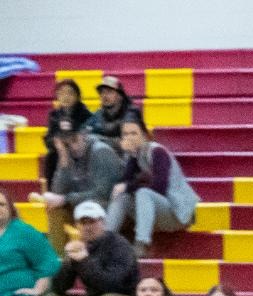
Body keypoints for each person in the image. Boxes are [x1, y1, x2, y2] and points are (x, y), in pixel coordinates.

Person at [32, 200, 138, 296]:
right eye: (83, 222)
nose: (88, 227)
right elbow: (59, 287)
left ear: (103, 222)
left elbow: (114, 284)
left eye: (92, 221)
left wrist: (84, 261)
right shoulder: (81, 247)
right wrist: (69, 263)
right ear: (77, 226)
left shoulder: (120, 246)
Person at [105, 121, 197, 259]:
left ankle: (141, 243)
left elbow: (159, 187)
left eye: (134, 133)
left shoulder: (157, 152)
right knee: (122, 195)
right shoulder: (135, 155)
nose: (129, 138)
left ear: (145, 136)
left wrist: (129, 186)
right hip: (155, 213)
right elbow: (123, 183)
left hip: (177, 212)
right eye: (125, 134)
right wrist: (130, 156)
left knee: (143, 193)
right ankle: (104, 242)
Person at [39, 120, 125, 256]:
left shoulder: (101, 151)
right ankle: (58, 260)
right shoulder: (68, 154)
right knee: (55, 210)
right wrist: (63, 158)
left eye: (74, 140)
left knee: (89, 211)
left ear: (84, 134)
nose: (72, 146)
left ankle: (92, 255)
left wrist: (65, 199)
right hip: (85, 205)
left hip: (112, 207)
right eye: (67, 143)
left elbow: (102, 193)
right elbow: (58, 192)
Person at [0, 189, 61, 296]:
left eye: (2, 204)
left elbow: (48, 265)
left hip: (16, 295)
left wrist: (38, 290)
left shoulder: (24, 231)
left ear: (10, 208)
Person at [38, 78, 90, 185]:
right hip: (60, 150)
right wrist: (58, 142)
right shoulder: (54, 115)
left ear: (77, 96)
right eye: (62, 93)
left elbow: (88, 136)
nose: (66, 97)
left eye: (70, 93)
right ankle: (52, 189)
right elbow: (48, 138)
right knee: (50, 156)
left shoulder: (85, 114)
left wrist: (72, 141)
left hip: (79, 150)